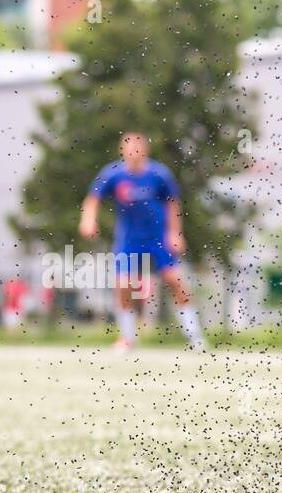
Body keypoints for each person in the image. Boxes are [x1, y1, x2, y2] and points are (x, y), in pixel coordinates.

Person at [79, 131, 206, 352]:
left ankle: (195, 336)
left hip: (157, 238)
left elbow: (173, 203)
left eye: (137, 149)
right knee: (123, 284)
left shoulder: (159, 174)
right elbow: (93, 199)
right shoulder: (112, 174)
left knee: (174, 281)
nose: (133, 153)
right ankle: (127, 338)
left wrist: (175, 233)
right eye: (128, 150)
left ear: (145, 150)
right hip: (129, 240)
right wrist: (88, 220)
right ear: (122, 151)